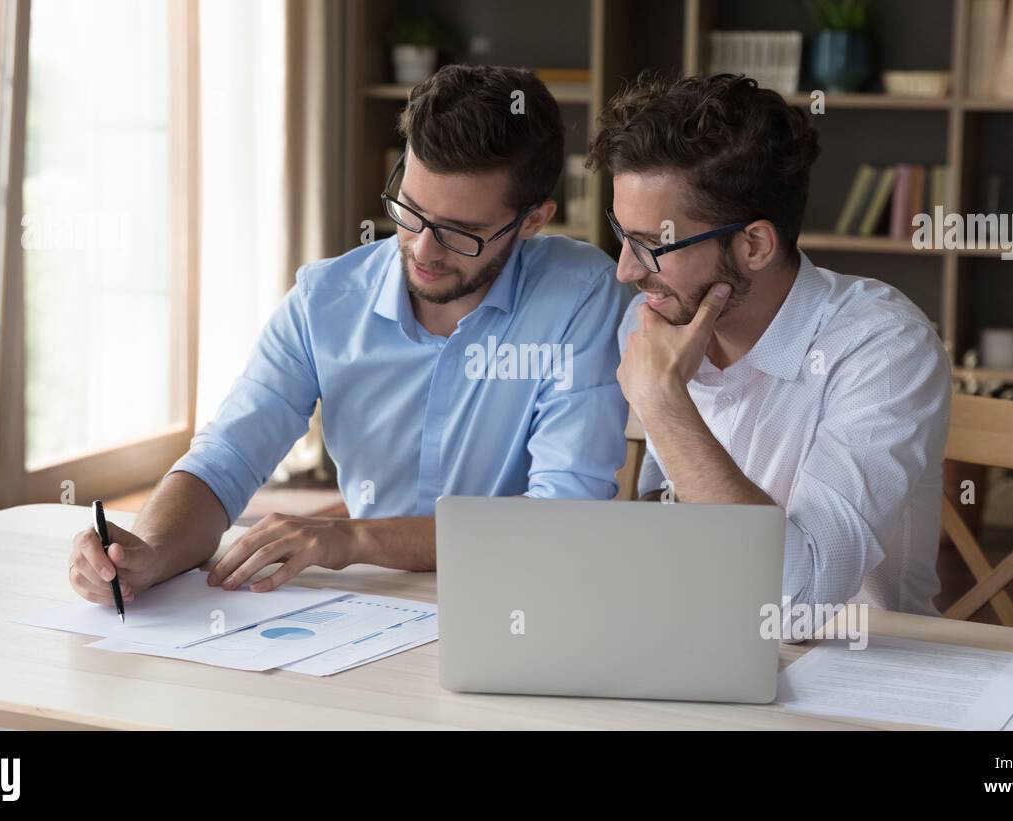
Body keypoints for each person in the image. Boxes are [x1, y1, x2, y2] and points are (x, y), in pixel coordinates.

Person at [68, 65, 627, 605]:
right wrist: (150, 552)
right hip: (366, 604)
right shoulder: (326, 298)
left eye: (462, 233)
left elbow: (564, 515)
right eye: (410, 211)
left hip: (515, 601)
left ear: (533, 220)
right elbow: (226, 457)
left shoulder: (580, 296)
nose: (423, 250)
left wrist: (355, 538)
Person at [590, 73, 951, 616]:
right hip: (693, 641)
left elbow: (798, 601)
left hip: (854, 669)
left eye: (650, 246)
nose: (624, 272)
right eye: (622, 236)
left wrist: (665, 406)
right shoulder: (657, 318)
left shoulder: (885, 348)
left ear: (754, 244)